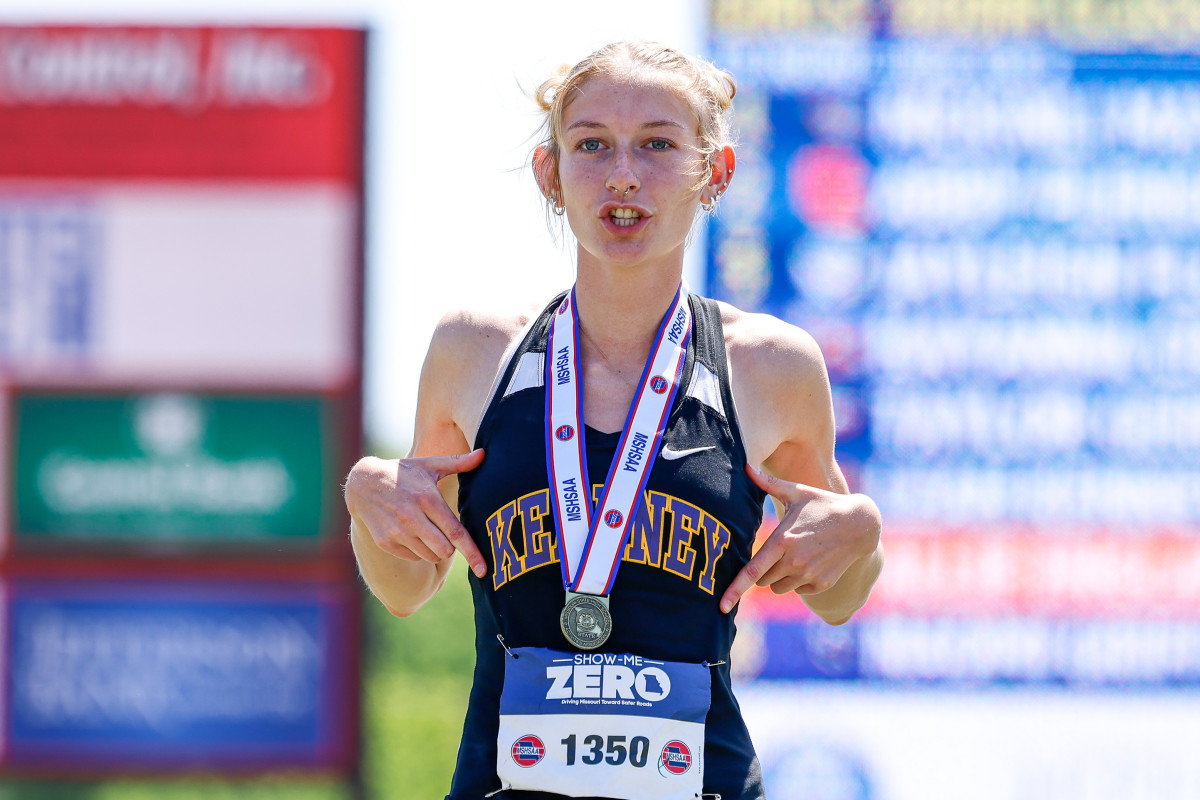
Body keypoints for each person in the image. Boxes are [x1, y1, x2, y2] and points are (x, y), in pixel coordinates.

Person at [345, 41, 883, 800]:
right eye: (591, 144)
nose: (623, 173)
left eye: (658, 144)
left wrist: (862, 530)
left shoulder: (771, 366)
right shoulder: (474, 351)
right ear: (551, 174)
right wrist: (369, 501)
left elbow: (838, 596)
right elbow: (405, 586)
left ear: (716, 174)